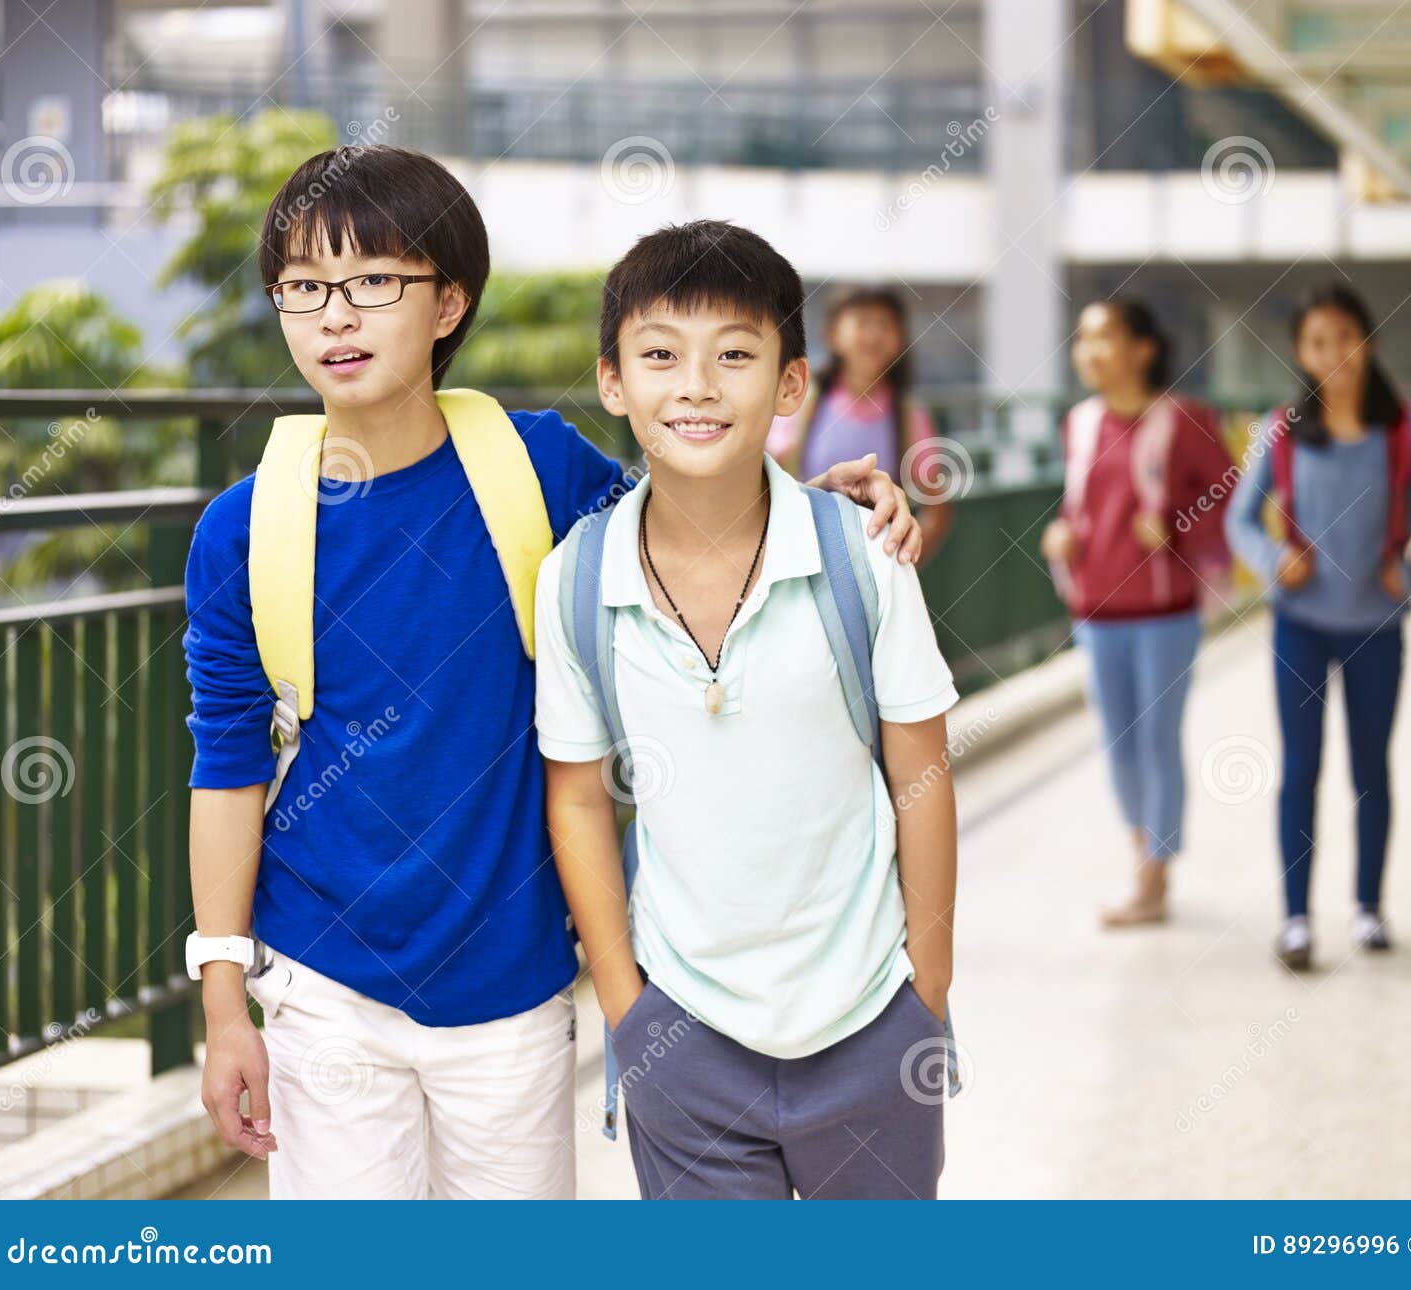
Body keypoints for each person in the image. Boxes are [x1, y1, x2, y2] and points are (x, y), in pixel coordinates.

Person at [181, 146, 924, 1199]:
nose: (335, 316)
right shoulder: (242, 530)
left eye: (373, 283)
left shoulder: (536, 467)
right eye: (304, 288)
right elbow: (226, 771)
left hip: (516, 982)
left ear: (448, 306)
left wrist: (821, 500)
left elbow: (686, 523)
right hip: (319, 984)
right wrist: (225, 1003)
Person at [536, 219, 959, 1199]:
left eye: (734, 354)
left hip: (871, 1029)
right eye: (658, 356)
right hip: (680, 1040)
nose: (695, 385)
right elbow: (578, 798)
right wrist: (624, 1007)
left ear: (791, 384)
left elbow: (922, 775)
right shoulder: (576, 580)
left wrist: (924, 995)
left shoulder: (864, 557)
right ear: (611, 382)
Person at [1225, 282, 1411, 970]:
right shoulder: (1282, 432)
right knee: (1300, 771)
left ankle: (1368, 909)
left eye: (1347, 338)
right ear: (1301, 351)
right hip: (1299, 625)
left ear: (1370, 343)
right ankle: (1296, 920)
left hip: (1377, 629)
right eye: (1319, 342)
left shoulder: (1406, 430)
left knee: (1370, 771)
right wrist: (1274, 560)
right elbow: (1240, 519)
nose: (1336, 354)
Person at [1040, 298, 1234, 928]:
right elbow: (1082, 505)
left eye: (1103, 338)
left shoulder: (1188, 419)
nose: (1088, 352)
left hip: (1165, 612)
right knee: (1119, 743)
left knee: (1157, 740)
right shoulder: (1079, 423)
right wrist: (1061, 536)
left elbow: (1228, 494)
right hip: (1095, 610)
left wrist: (1175, 525)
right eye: (1082, 340)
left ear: (1144, 349)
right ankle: (1141, 856)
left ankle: (1154, 875)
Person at [768, 284, 955, 562]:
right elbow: (764, 479)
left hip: (874, 571)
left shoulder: (910, 417)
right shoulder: (798, 405)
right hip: (800, 562)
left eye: (884, 324)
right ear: (832, 334)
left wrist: (901, 570)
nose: (873, 335)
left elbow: (938, 511)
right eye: (862, 322)